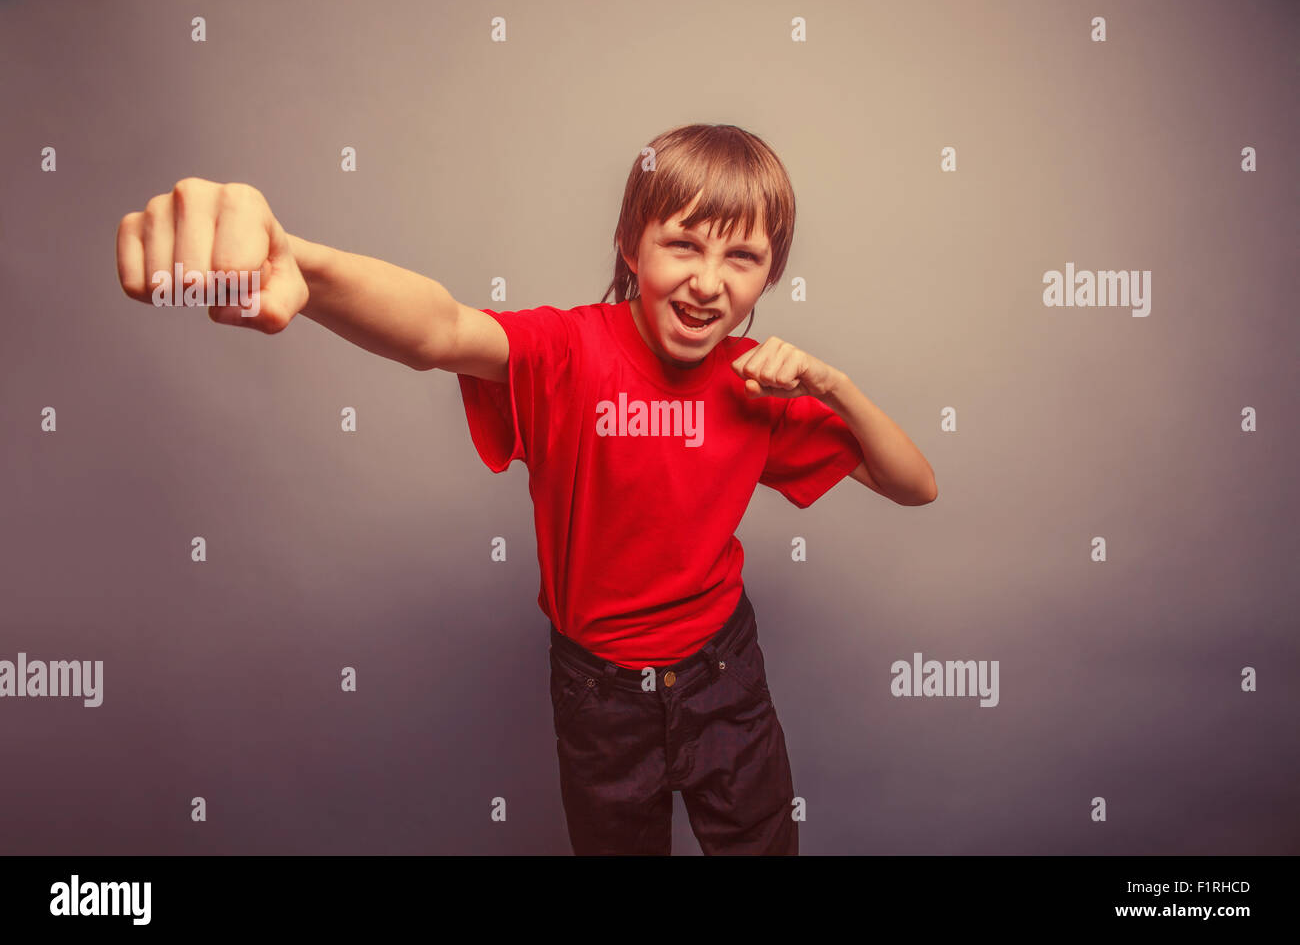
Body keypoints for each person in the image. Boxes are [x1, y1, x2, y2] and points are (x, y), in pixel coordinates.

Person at [115, 122, 937, 855]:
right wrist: (304, 264)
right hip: (599, 698)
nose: (709, 282)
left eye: (743, 258)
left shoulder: (761, 392)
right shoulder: (567, 351)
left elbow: (915, 485)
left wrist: (834, 386)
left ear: (769, 275)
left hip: (726, 679)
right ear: (631, 244)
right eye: (684, 244)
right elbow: (440, 328)